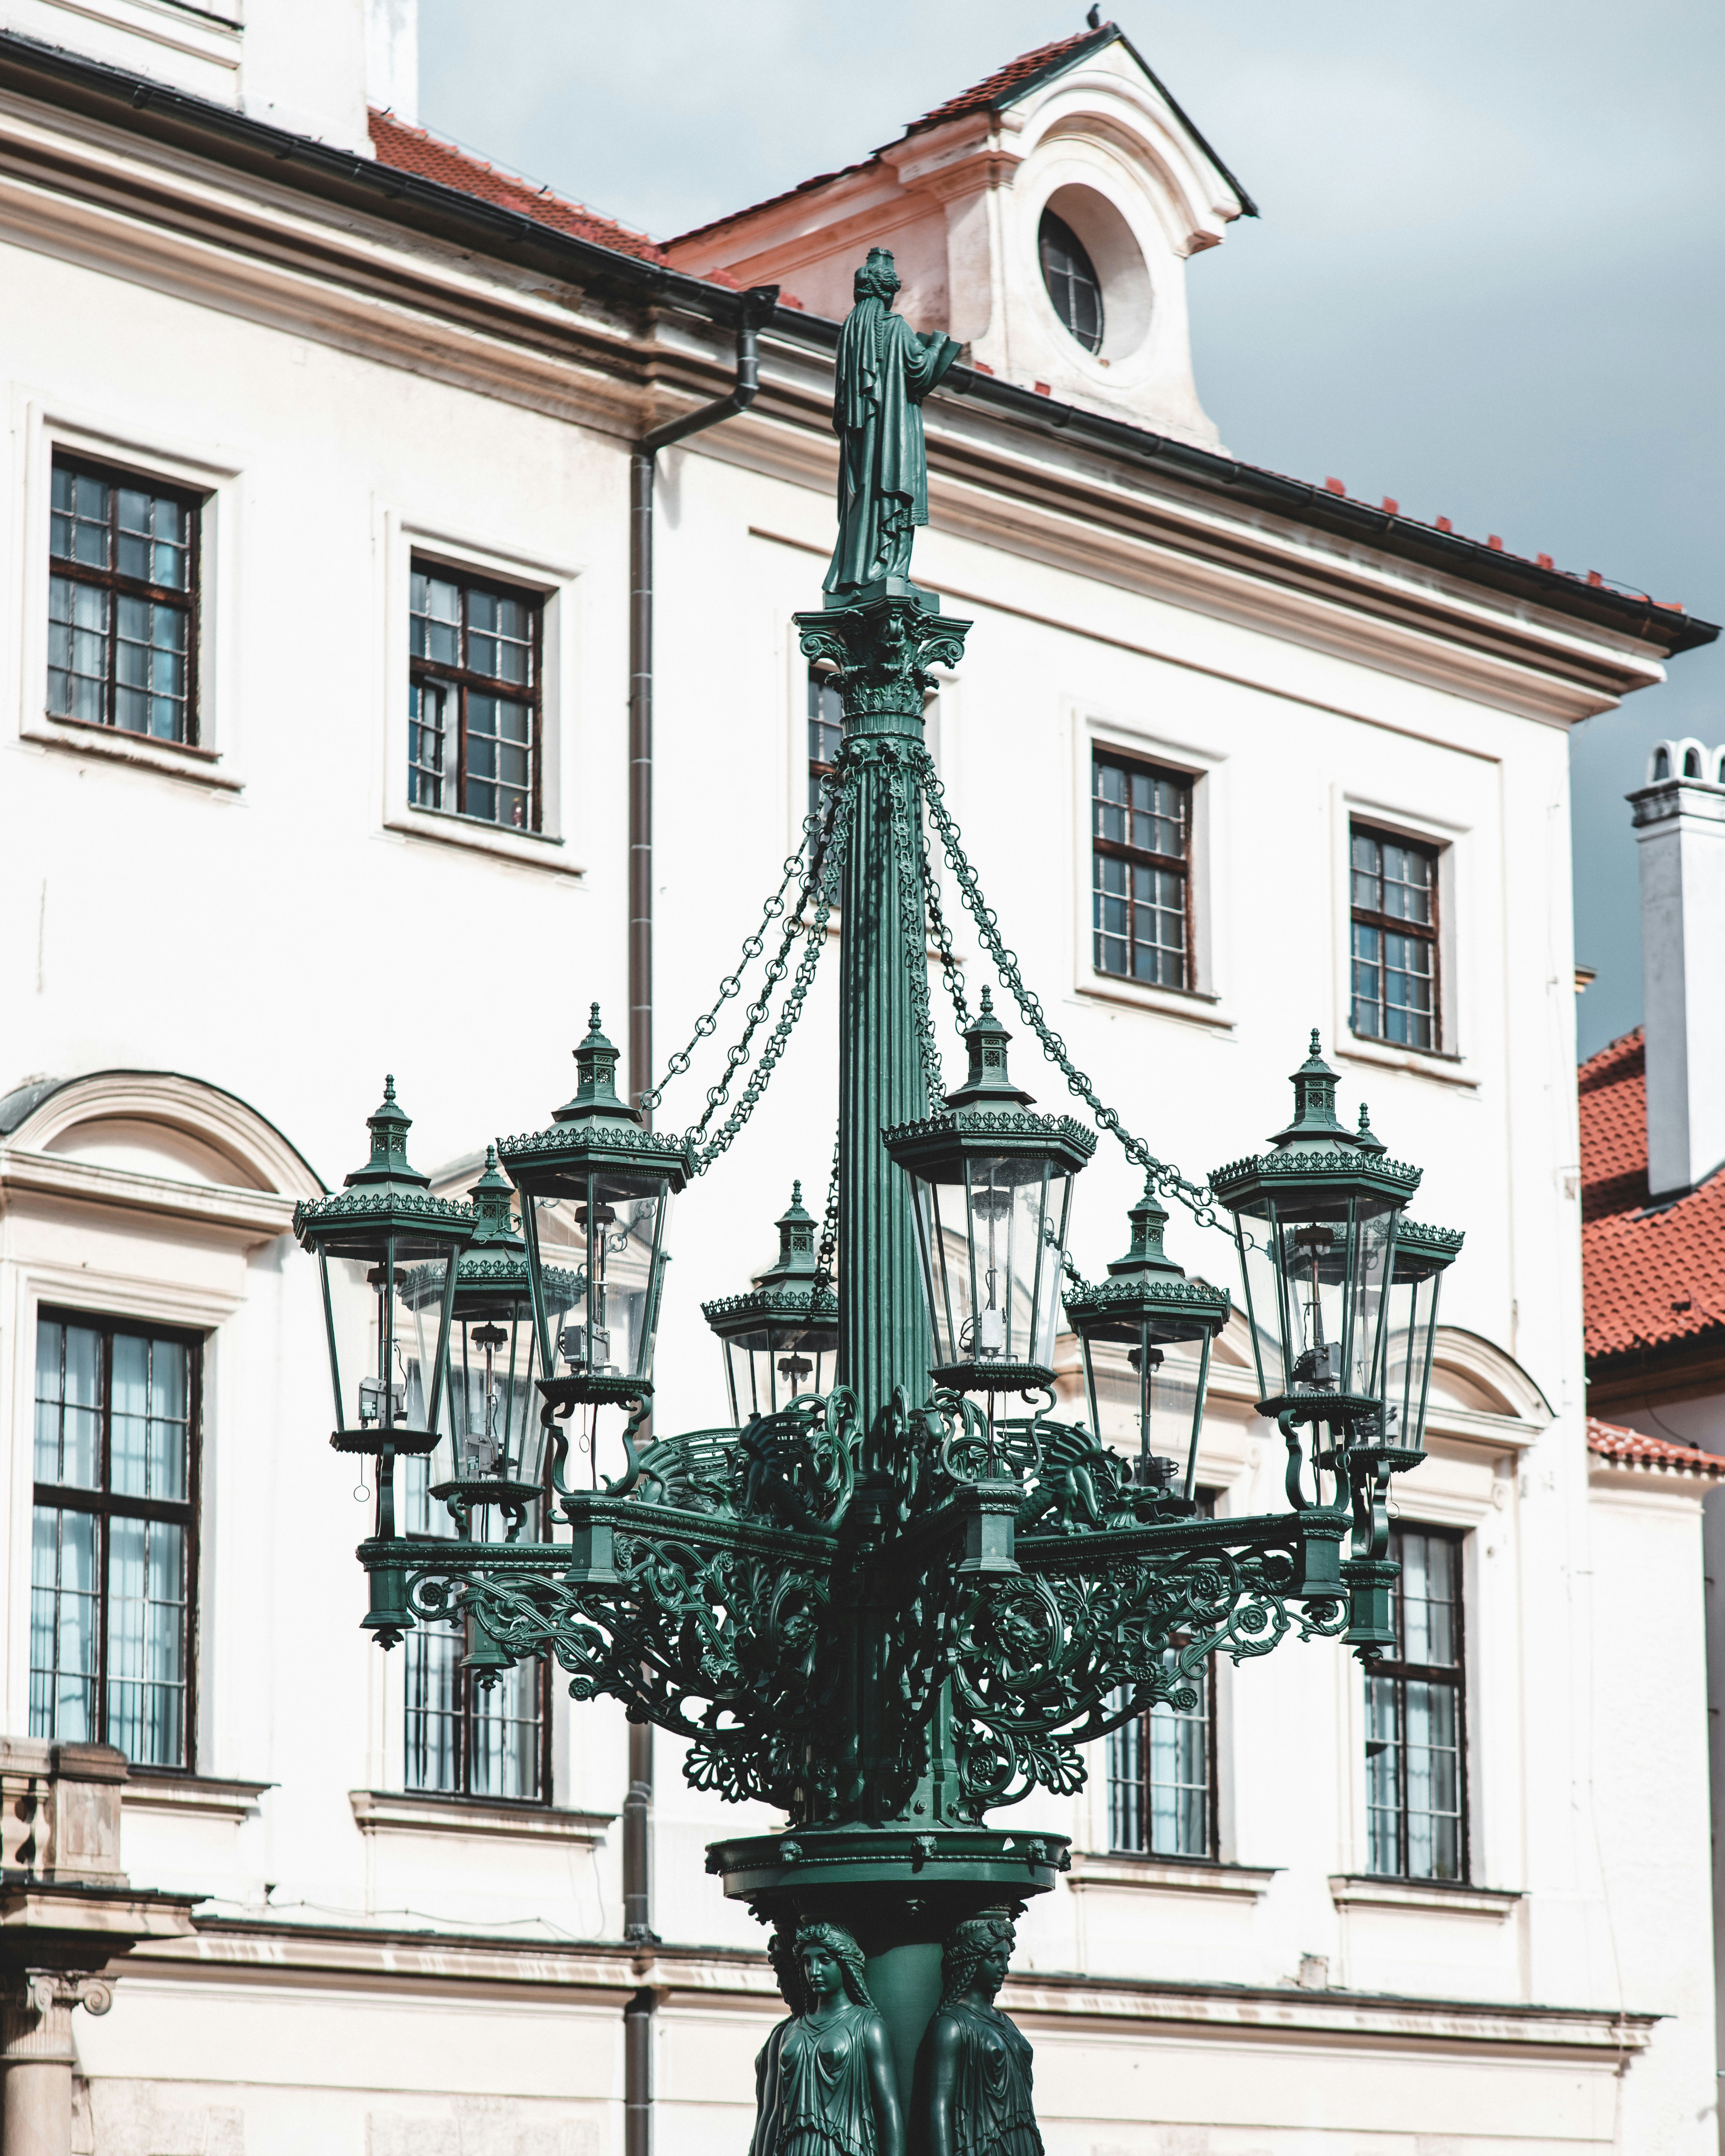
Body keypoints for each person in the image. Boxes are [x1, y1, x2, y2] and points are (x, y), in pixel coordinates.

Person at [824, 249, 962, 605]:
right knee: (894, 493)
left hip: (862, 438)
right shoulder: (894, 327)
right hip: (894, 431)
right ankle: (890, 569)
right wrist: (938, 345)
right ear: (888, 293)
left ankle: (860, 569)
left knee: (865, 498)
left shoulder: (852, 335)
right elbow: (921, 373)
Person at [768, 1918, 905, 2156]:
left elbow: (889, 2110)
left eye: (825, 1960)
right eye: (807, 1962)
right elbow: (775, 2115)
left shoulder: (868, 2027)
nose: (814, 1971)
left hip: (843, 2148)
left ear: (845, 1963)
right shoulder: (792, 2030)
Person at [923, 1912, 1042, 2156]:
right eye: (994, 1958)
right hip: (986, 2144)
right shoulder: (952, 2026)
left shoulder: (1006, 2022)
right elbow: (939, 2107)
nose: (1004, 1968)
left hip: (1023, 2141)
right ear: (971, 1961)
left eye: (1006, 1958)